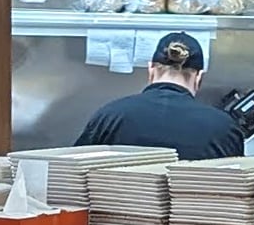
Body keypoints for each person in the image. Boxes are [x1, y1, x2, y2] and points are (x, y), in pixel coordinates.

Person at [75, 32, 243, 160]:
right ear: (199, 77)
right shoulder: (223, 127)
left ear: (151, 69)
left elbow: (72, 171)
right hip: (192, 206)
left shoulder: (110, 116)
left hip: (118, 206)